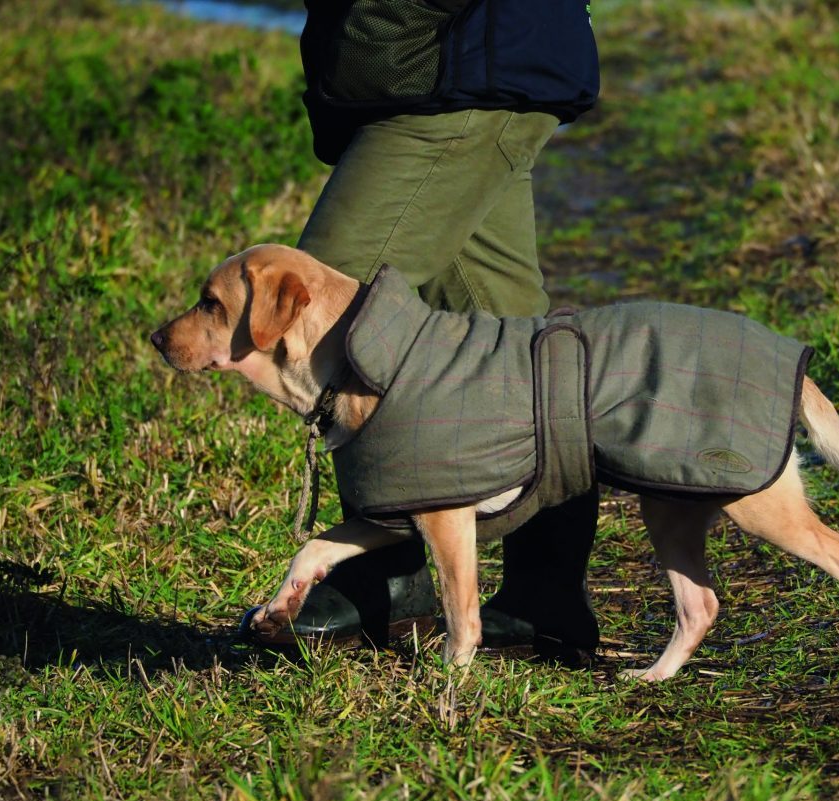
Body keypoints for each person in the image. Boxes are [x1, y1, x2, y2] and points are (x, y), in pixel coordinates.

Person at [240, 0, 603, 658]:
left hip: (451, 60)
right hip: (443, 62)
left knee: (329, 304)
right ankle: (544, 595)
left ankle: (387, 580)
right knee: (506, 341)